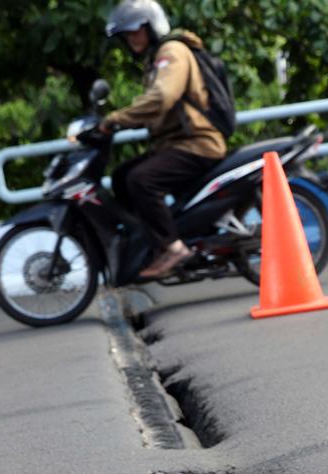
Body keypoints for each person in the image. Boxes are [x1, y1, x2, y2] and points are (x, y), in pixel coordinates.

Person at [101, 0, 227, 279]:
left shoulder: (172, 51)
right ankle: (150, 243)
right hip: (176, 144)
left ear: (151, 26)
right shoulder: (156, 58)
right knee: (122, 176)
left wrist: (116, 119)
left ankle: (172, 247)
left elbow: (162, 97)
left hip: (197, 143)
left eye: (137, 30)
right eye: (128, 34)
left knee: (141, 180)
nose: (132, 38)